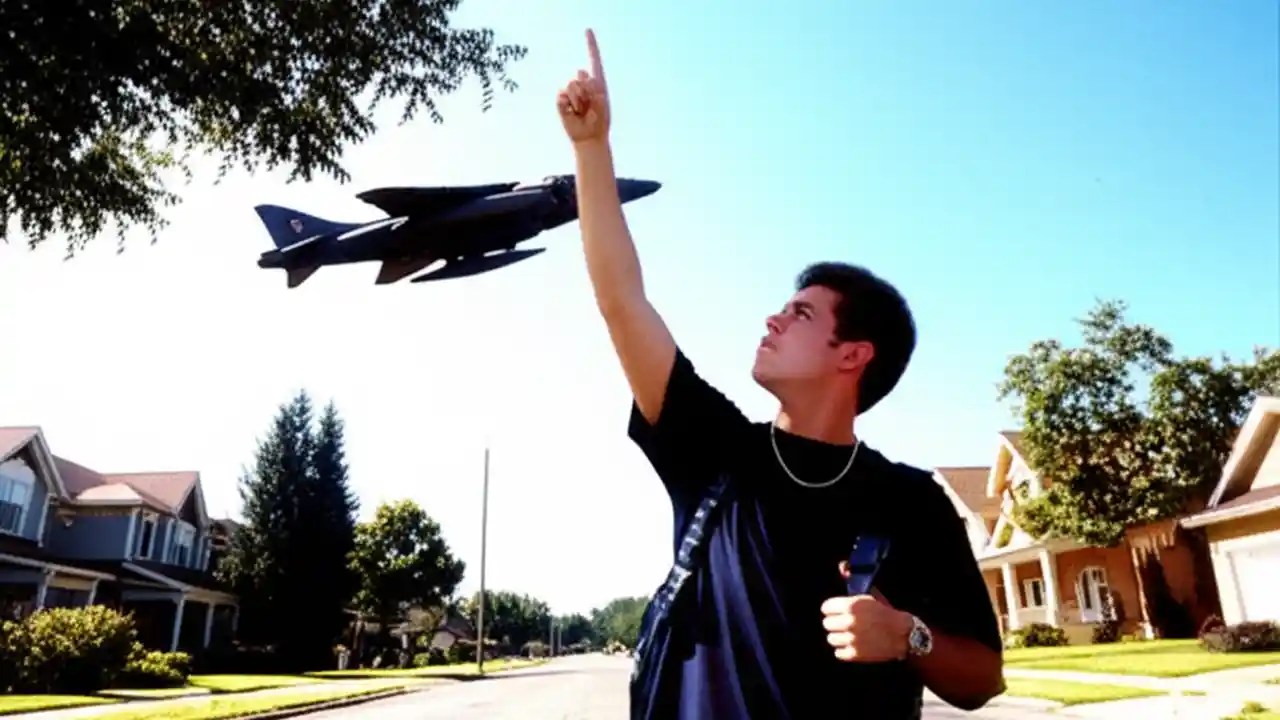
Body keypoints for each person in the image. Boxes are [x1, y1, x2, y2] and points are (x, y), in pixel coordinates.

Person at [557, 29, 1005, 719]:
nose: (771, 319)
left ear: (853, 354)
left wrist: (905, 636)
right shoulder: (714, 449)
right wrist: (592, 151)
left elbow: (981, 679)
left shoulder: (912, 501)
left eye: (799, 313)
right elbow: (623, 302)